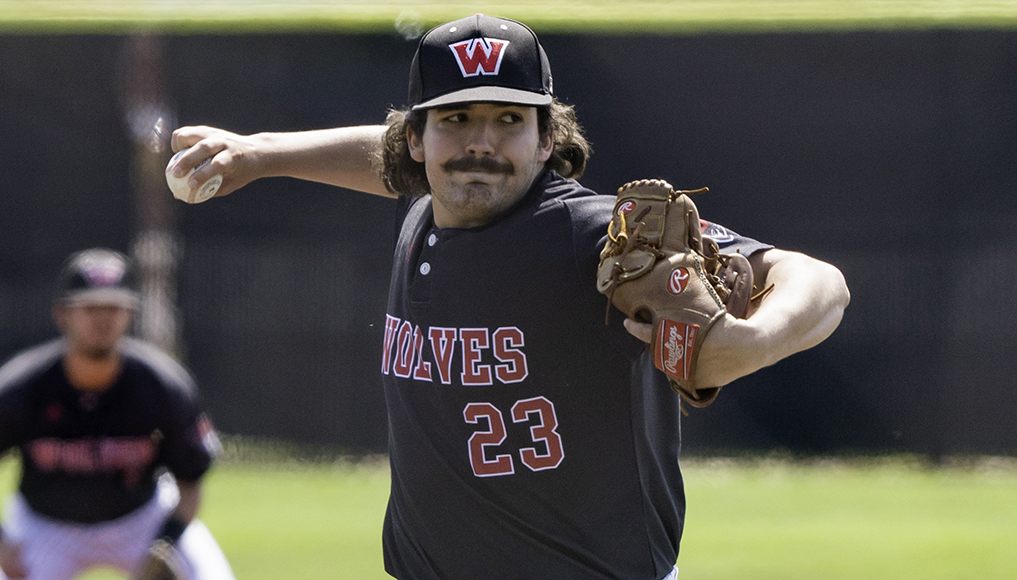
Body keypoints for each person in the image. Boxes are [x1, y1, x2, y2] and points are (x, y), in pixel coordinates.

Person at [169, 14, 850, 580]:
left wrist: (754, 343)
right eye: (456, 119)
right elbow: (387, 162)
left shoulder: (590, 235)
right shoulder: (424, 205)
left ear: (548, 137)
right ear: (416, 139)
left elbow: (819, 280)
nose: (480, 144)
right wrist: (258, 153)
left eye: (509, 120)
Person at [0, 248, 235, 580]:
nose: (103, 318)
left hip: (140, 522)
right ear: (62, 314)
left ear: (130, 314)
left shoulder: (163, 386)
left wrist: (166, 543)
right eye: (90, 307)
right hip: (45, 526)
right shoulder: (20, 388)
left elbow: (190, 481)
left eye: (114, 307)